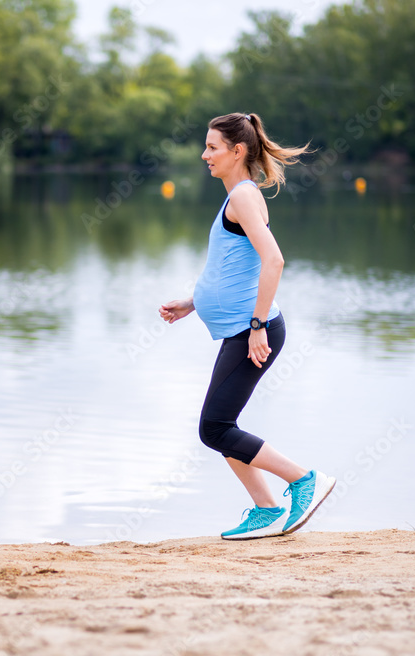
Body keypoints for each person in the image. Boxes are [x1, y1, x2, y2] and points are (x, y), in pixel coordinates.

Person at [159, 112, 336, 541]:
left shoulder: (242, 196)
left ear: (237, 151)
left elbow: (273, 260)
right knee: (222, 424)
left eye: (212, 147)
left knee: (214, 427)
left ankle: (303, 480)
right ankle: (265, 508)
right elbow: (231, 266)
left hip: (253, 331)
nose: (204, 155)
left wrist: (257, 324)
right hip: (241, 328)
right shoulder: (238, 196)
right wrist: (194, 302)